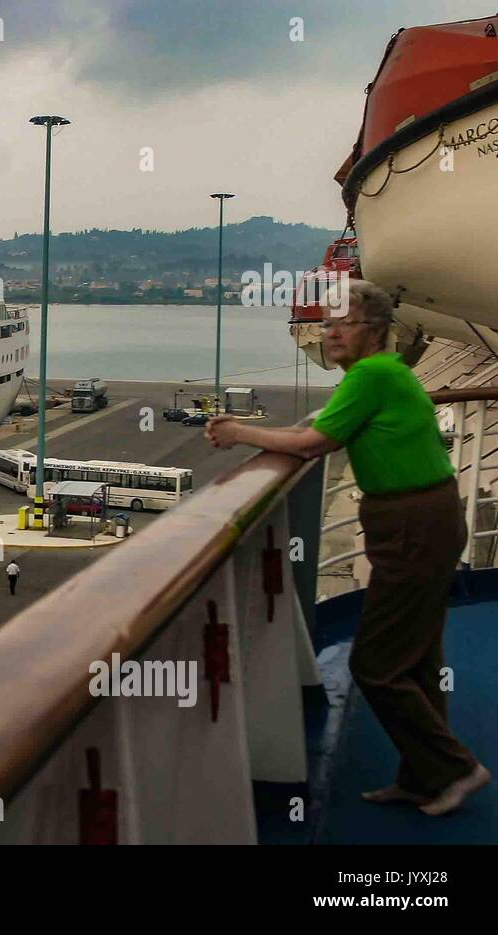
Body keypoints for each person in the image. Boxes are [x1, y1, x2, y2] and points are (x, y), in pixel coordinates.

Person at [205, 279, 489, 817]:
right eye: (328, 323)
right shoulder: (383, 376)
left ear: (375, 331)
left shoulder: (373, 375)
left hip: (412, 527)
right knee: (420, 659)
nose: (330, 333)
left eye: (343, 324)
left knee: (377, 664)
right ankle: (423, 777)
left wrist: (240, 434)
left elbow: (316, 443)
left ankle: (454, 768)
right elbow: (329, 431)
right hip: (422, 521)